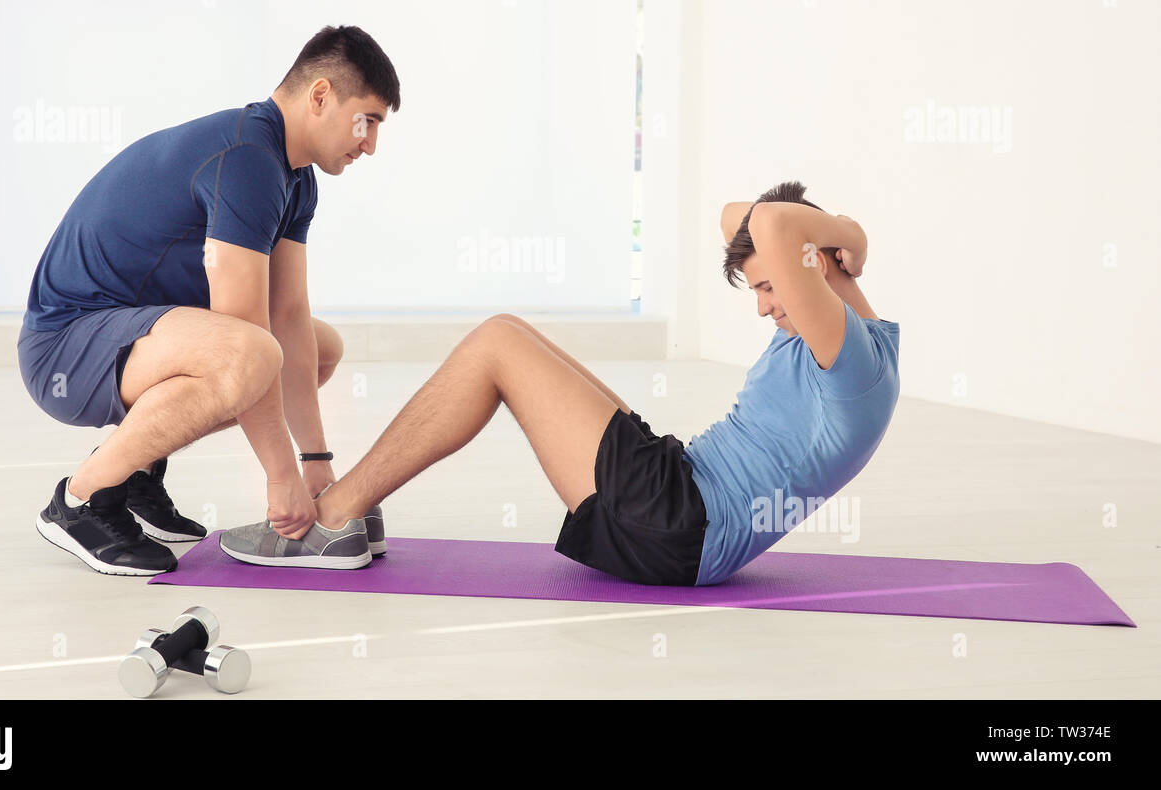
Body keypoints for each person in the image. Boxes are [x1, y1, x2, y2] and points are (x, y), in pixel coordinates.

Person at [222, 180, 901, 586]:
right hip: (679, 495)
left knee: (496, 343)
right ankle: (351, 509)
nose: (762, 308)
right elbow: (744, 220)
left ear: (815, 265)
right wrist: (839, 239)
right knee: (511, 335)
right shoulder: (854, 343)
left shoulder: (848, 357)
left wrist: (847, 231)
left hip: (680, 522)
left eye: (769, 286)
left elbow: (775, 224)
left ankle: (335, 516)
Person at [18, 25, 401, 575]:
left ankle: (137, 472)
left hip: (132, 336)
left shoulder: (296, 178)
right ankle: (81, 499)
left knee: (318, 348)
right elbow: (245, 333)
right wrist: (281, 480)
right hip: (65, 346)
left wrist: (315, 461)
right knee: (249, 353)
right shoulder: (248, 158)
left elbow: (287, 316)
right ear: (321, 95)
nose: (370, 143)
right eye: (367, 120)